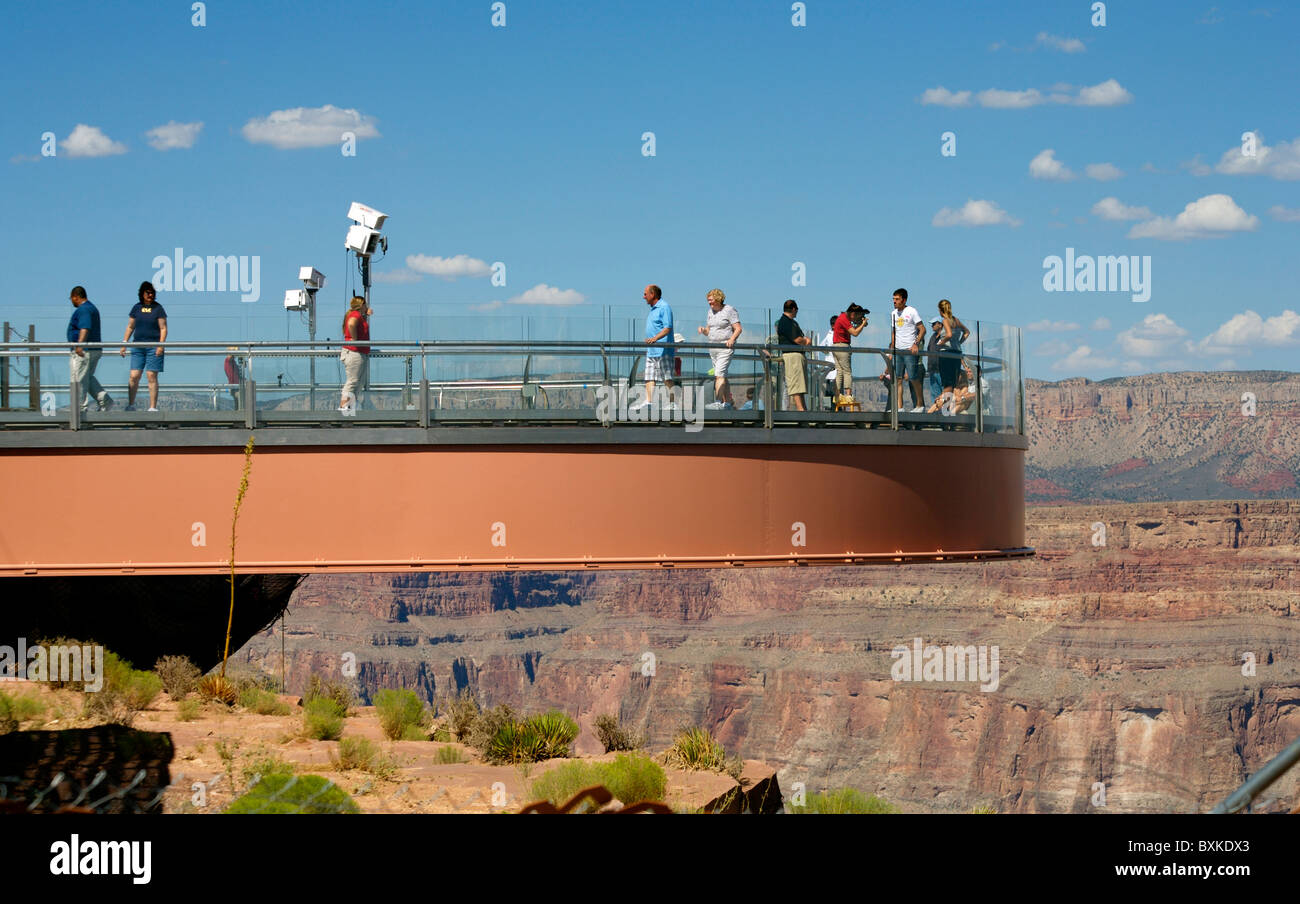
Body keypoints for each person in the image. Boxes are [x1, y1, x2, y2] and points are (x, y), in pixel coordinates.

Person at [119, 281, 167, 412]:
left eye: (152, 293)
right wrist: (124, 343)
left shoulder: (158, 308)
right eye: (148, 293)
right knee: (134, 375)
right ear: (142, 294)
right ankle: (131, 404)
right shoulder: (136, 308)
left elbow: (163, 328)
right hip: (138, 346)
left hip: (154, 346)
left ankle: (152, 407)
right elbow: (130, 326)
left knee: (151, 376)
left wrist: (161, 345)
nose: (150, 295)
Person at [67, 286, 112, 412]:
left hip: (84, 351)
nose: (71, 301)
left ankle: (80, 410)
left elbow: (85, 327)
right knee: (87, 377)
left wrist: (79, 345)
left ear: (76, 296)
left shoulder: (84, 309)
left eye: (71, 298)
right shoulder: (92, 308)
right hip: (94, 349)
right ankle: (105, 401)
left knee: (78, 379)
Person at [698, 288, 741, 409]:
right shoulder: (710, 312)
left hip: (725, 347)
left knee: (719, 375)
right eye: (708, 300)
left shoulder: (729, 310)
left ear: (718, 299)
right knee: (722, 375)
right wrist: (703, 330)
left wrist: (731, 339)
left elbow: (738, 328)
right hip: (713, 347)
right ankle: (727, 403)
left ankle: (717, 401)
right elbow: (709, 330)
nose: (709, 303)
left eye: (711, 300)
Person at [634, 284, 675, 411]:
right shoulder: (653, 309)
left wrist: (655, 339)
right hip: (651, 350)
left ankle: (673, 403)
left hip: (663, 350)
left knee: (666, 377)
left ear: (653, 295)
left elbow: (667, 328)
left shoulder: (664, 307)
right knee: (649, 377)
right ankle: (649, 402)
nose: (644, 296)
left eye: (645, 294)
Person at [889, 288, 925, 414]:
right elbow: (894, 332)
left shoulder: (912, 311)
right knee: (898, 378)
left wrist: (916, 344)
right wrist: (892, 348)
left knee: (913, 377)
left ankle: (920, 405)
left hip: (909, 350)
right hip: (898, 351)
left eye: (897, 299)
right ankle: (899, 407)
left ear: (904, 300)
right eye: (893, 299)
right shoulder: (893, 313)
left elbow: (922, 329)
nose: (894, 301)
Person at [775, 299, 812, 411]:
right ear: (794, 309)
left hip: (796, 355)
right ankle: (801, 410)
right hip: (792, 355)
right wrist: (806, 341)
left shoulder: (789, 322)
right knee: (796, 384)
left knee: (799, 384)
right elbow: (797, 339)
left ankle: (803, 408)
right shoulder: (786, 322)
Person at [830, 303, 868, 403]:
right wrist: (863, 324)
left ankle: (837, 395)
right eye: (857, 316)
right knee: (847, 371)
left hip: (836, 346)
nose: (856, 319)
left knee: (839, 371)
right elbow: (855, 333)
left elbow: (853, 327)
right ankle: (848, 395)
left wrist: (860, 323)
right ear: (852, 313)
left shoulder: (842, 317)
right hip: (843, 347)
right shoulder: (844, 319)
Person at [339, 296, 371, 412]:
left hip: (358, 352)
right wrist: (355, 339)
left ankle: (349, 408)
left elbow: (360, 327)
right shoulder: (355, 315)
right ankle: (344, 407)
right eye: (365, 304)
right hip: (354, 353)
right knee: (353, 381)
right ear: (361, 305)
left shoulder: (358, 315)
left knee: (358, 381)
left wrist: (366, 315)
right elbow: (352, 324)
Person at [936, 298, 970, 402]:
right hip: (956, 353)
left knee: (947, 382)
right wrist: (959, 343)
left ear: (941, 310)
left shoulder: (945, 320)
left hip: (946, 354)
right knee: (952, 382)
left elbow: (949, 334)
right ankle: (948, 408)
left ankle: (946, 409)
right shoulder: (956, 320)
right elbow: (967, 332)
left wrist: (942, 342)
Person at [925, 315, 944, 409]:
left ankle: (946, 415)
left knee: (944, 394)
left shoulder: (945, 336)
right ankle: (937, 413)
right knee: (935, 395)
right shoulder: (932, 337)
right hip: (932, 370)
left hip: (942, 370)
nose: (932, 326)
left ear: (940, 324)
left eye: (934, 324)